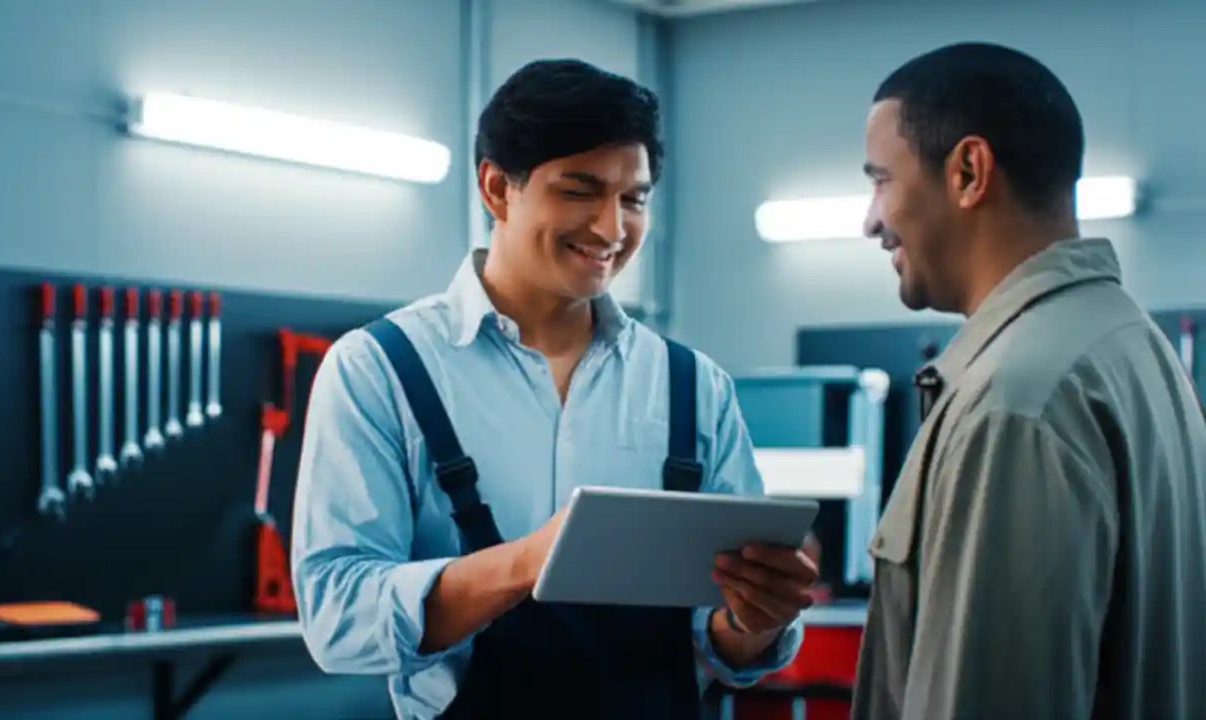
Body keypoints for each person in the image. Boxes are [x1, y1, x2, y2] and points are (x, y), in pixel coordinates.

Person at [291, 58, 819, 720]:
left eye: (633, 198)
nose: (611, 229)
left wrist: (758, 615)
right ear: (495, 187)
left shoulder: (693, 387)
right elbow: (337, 617)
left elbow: (724, 645)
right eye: (579, 191)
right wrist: (527, 563)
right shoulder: (379, 370)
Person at [854, 41, 1206, 720]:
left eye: (880, 180)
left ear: (968, 171)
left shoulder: (1015, 404)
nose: (870, 219)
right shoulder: (1134, 351)